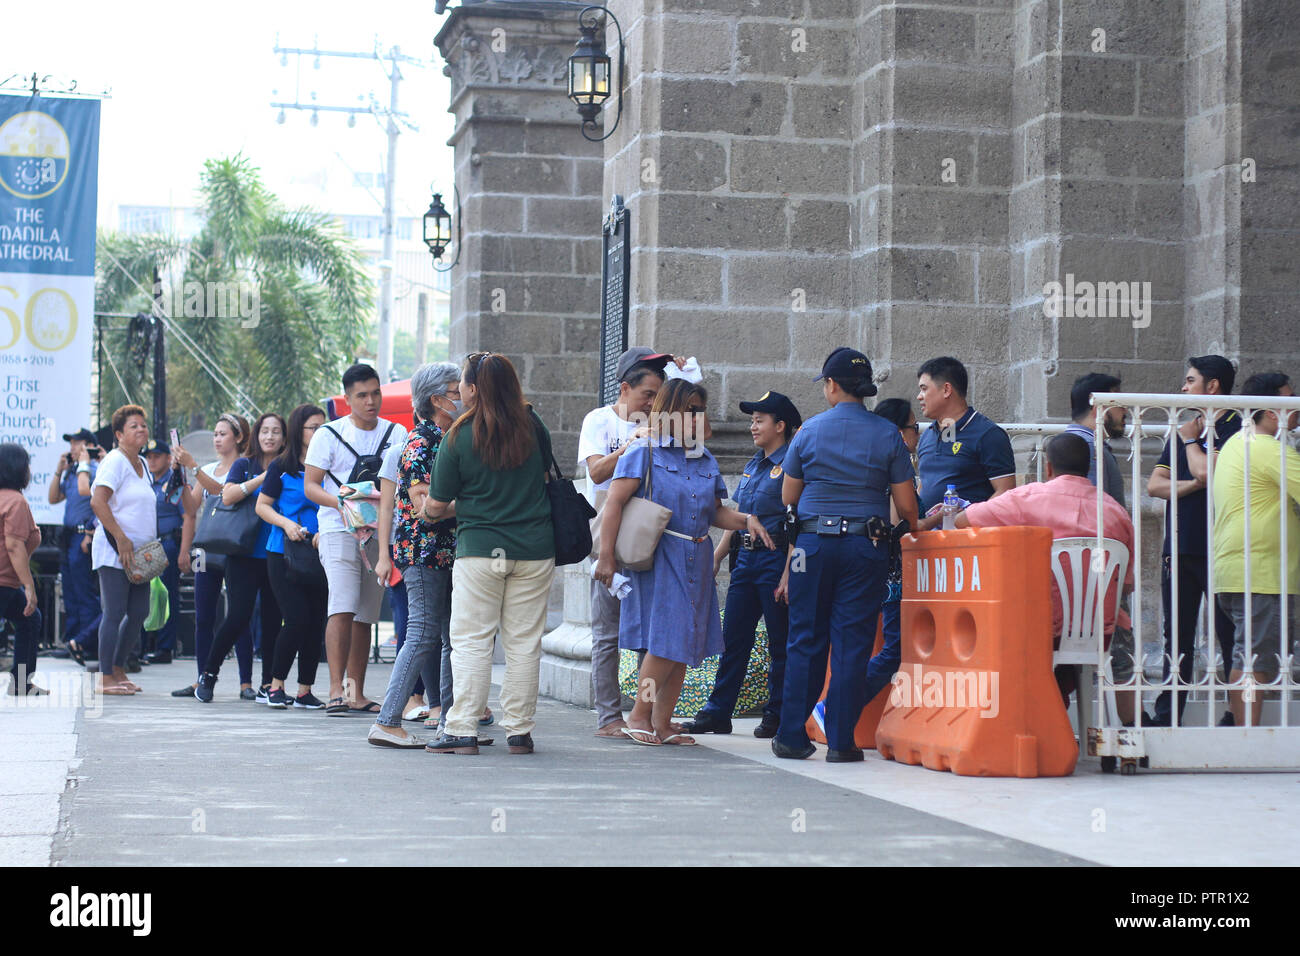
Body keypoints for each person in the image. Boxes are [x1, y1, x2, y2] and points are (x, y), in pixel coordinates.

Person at [596, 379, 773, 746]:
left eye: (700, 411)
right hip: (661, 556)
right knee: (665, 642)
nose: (696, 418)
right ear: (669, 410)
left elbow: (715, 512)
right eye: (690, 410)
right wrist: (607, 557)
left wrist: (747, 520)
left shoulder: (703, 457)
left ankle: (662, 721)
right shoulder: (643, 451)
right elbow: (613, 503)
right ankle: (640, 715)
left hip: (697, 556)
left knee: (685, 646)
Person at [772, 349, 918, 762]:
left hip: (811, 547)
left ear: (832, 386)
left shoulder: (808, 432)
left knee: (805, 639)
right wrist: (916, 526)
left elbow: (789, 496)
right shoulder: (888, 434)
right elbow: (907, 504)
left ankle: (791, 737)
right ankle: (840, 741)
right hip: (865, 546)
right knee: (853, 645)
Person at [425, 353, 553, 755]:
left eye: (462, 384)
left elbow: (434, 505)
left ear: (475, 389)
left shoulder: (460, 435)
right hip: (534, 549)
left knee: (472, 641)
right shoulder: (534, 426)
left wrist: (463, 505)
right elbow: (545, 479)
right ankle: (519, 731)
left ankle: (461, 729)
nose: (458, 391)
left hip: (480, 551)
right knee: (524, 643)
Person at [957, 434, 1135, 707]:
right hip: (1099, 632)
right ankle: (1126, 727)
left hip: (1041, 629)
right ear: (1088, 469)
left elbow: (963, 520)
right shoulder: (1116, 513)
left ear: (1049, 467)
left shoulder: (1026, 498)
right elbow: (1127, 585)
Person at [687, 390, 801, 738]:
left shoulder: (794, 466)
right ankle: (719, 711)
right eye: (752, 420)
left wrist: (788, 573)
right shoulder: (753, 464)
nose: (752, 427)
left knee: (779, 642)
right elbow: (738, 518)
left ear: (780, 426)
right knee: (733, 638)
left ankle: (777, 713)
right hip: (746, 560)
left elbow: (798, 522)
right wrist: (718, 557)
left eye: (759, 420)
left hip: (776, 559)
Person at [369, 362, 463, 747]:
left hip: (440, 553)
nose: (463, 398)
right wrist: (477, 500)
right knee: (423, 633)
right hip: (423, 554)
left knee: (448, 637)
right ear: (437, 399)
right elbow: (424, 504)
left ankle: (450, 722)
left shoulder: (441, 439)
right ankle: (387, 719)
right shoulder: (421, 443)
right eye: (457, 392)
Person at [304, 364, 407, 716]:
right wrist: (346, 504)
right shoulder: (327, 434)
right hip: (337, 529)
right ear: (347, 399)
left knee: (366, 614)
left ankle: (356, 692)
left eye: (375, 393)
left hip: (381, 533)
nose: (371, 401)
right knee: (342, 605)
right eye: (362, 395)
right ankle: (335, 689)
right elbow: (311, 486)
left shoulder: (398, 433)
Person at [577, 346, 670, 737]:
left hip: (652, 543)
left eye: (659, 396)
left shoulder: (664, 422)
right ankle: (609, 717)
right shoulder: (599, 420)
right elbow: (596, 472)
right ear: (625, 388)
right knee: (608, 636)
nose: (652, 403)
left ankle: (644, 715)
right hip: (609, 544)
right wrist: (631, 444)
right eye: (648, 394)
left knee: (650, 638)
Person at [1147, 355, 1242, 726]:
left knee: (1230, 636)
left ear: (1212, 386)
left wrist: (1190, 444)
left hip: (1220, 550)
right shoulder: (1187, 427)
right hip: (1180, 548)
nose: (1183, 388)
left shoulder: (1235, 426)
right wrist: (1191, 485)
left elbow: (1208, 470)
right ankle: (1168, 716)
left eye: (1190, 380)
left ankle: (1236, 715)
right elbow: (1155, 485)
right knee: (1177, 639)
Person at [1211, 372, 1299, 727]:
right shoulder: (1267, 448)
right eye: (1289, 400)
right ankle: (1247, 737)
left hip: (1239, 570)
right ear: (1271, 410)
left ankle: (1245, 730)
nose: (1295, 408)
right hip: (1261, 573)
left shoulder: (1236, 442)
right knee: (1254, 660)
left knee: (1249, 656)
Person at [194, 413, 287, 703]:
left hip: (276, 554)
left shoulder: (292, 468)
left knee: (273, 621)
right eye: (264, 431)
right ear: (256, 436)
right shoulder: (244, 465)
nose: (270, 437)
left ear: (285, 437)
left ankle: (267, 684)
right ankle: (208, 675)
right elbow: (228, 495)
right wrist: (265, 477)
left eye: (276, 432)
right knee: (237, 616)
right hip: (243, 554)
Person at [1063, 373, 1136, 723]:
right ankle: (1132, 734)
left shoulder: (1080, 445)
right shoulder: (1087, 450)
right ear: (1098, 406)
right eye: (1118, 404)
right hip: (1099, 572)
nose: (1124, 412)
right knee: (1121, 657)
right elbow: (1090, 517)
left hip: (1081, 574)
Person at [172, 414, 255, 699]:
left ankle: (246, 682)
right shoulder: (205, 469)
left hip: (235, 547)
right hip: (205, 547)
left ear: (239, 437)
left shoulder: (245, 469)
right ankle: (201, 679)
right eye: (215, 434)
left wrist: (193, 468)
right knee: (203, 614)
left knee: (238, 614)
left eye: (223, 434)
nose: (217, 439)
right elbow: (192, 507)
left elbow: (222, 493)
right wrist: (182, 476)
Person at [257, 404, 329, 709]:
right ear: (299, 429)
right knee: (296, 618)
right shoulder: (282, 467)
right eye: (313, 427)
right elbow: (262, 505)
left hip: (320, 551)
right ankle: (274, 686)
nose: (319, 432)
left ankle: (304, 690)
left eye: (323, 427)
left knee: (315, 623)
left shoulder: (330, 465)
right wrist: (287, 524)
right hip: (283, 552)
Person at [88, 404, 158, 696]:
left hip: (143, 554)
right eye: (134, 426)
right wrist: (121, 538)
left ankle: (118, 668)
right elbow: (97, 501)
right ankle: (104, 677)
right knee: (114, 611)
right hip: (117, 550)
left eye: (143, 425)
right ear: (118, 434)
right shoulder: (115, 461)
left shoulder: (142, 464)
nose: (141, 429)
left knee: (139, 611)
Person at [860, 398, 920, 706]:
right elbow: (903, 523)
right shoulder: (897, 472)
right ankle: (835, 706)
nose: (917, 434)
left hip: (878, 573)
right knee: (893, 651)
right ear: (898, 432)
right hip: (895, 579)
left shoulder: (873, 465)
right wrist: (943, 515)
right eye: (914, 427)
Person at [914, 356, 1015, 530]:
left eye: (924, 389)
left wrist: (967, 522)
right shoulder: (926, 436)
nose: (919, 397)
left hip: (968, 545)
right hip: (926, 545)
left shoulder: (988, 434)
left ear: (946, 390)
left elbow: (1005, 492)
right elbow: (924, 485)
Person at [47, 428, 100, 665]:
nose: (72, 447)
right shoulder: (71, 473)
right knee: (70, 591)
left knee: (84, 591)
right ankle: (72, 639)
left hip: (84, 536)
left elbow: (95, 500)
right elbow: (53, 498)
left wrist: (90, 534)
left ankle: (87, 642)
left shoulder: (93, 471)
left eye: (77, 442)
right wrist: (60, 469)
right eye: (71, 443)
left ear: (88, 445)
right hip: (68, 537)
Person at [1, 443, 44, 695]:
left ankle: (21, 683)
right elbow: (15, 546)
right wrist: (29, 586)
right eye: (27, 465)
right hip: (4, 581)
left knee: (29, 618)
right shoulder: (15, 501)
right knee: (29, 615)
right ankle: (20, 683)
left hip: (5, 582)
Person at [140, 439, 184, 664]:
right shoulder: (146, 482)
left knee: (166, 595)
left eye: (157, 456)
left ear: (168, 459)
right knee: (144, 596)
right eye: (148, 456)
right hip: (147, 547)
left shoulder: (175, 481)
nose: (152, 460)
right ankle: (144, 645)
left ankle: (165, 647)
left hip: (167, 544)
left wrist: (185, 549)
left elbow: (188, 516)